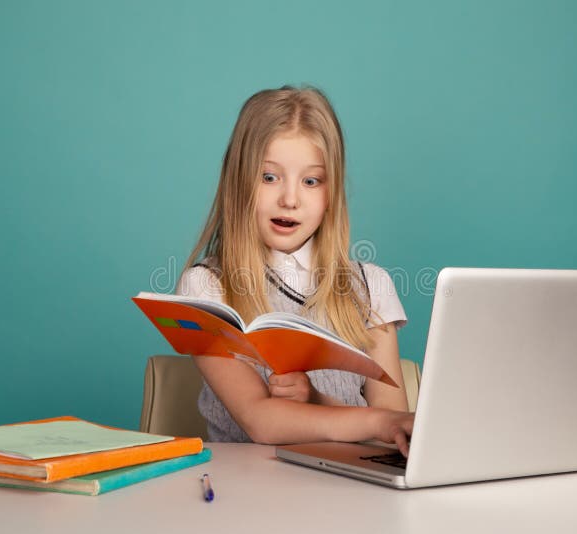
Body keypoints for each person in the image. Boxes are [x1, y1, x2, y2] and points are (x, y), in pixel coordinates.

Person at [175, 85, 414, 455]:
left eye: (311, 181)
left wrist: (316, 399)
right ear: (238, 181)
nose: (290, 199)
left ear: (331, 192)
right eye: (269, 177)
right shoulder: (206, 287)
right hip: (244, 495)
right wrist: (379, 422)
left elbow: (393, 427)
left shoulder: (370, 285)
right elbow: (260, 420)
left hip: (349, 496)